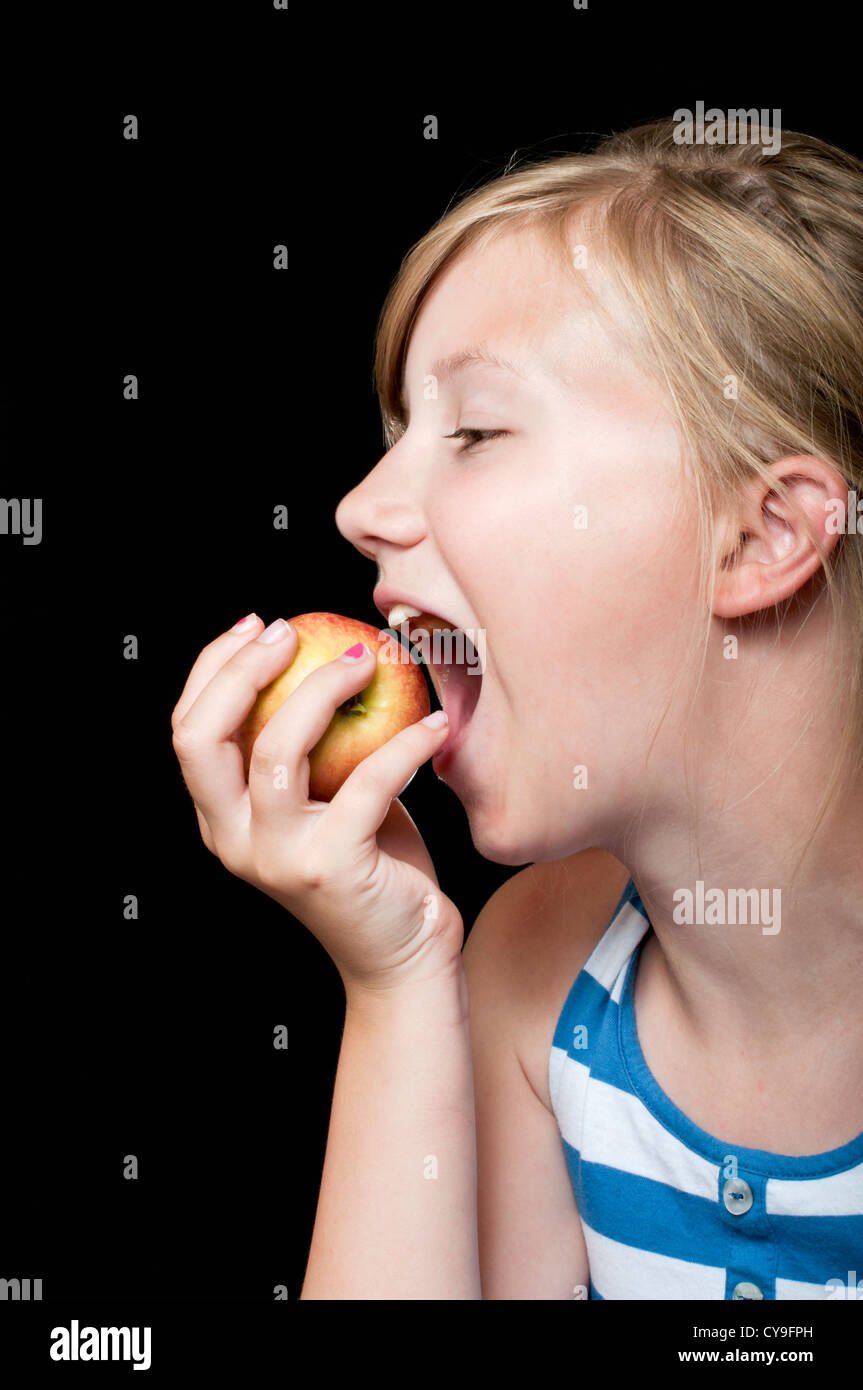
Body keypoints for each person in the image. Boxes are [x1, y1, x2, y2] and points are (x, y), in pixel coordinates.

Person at [171, 117, 863, 1299]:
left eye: (476, 432)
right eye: (393, 438)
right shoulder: (534, 983)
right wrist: (394, 985)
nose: (356, 507)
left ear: (759, 534)